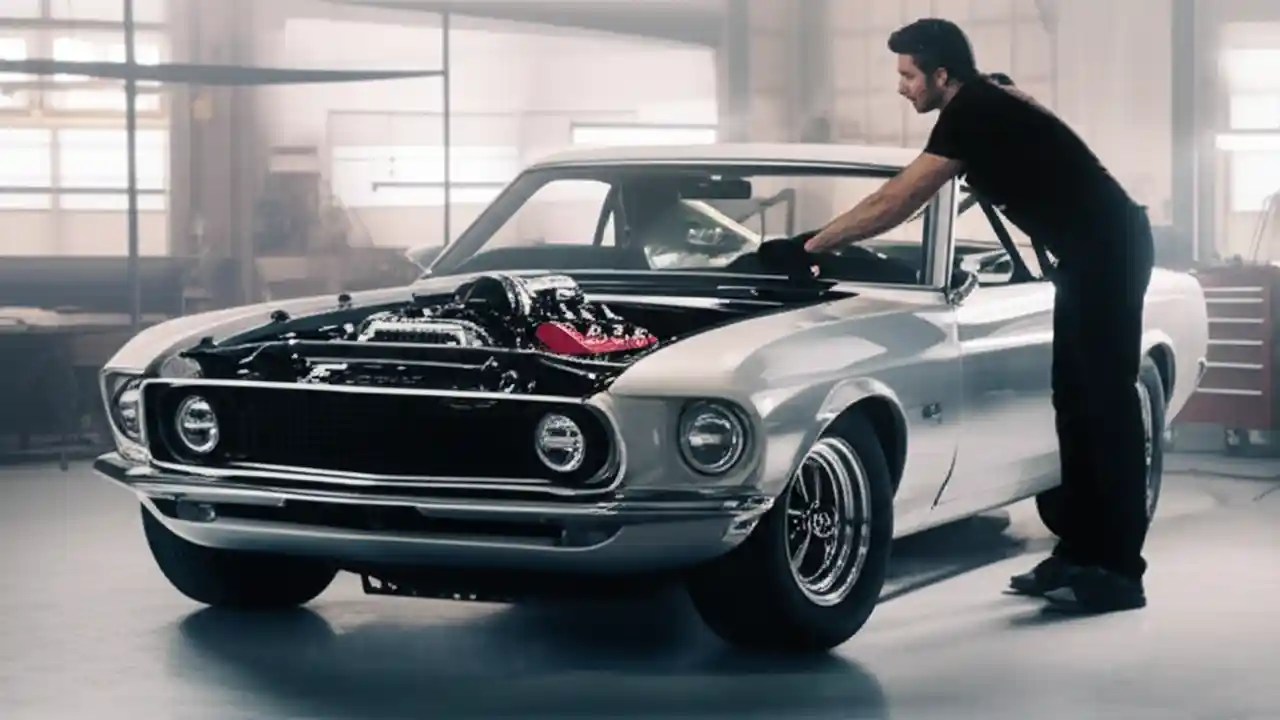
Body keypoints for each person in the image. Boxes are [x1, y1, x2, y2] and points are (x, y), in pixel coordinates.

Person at [796, 18, 1156, 614]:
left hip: (1108, 256)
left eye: (908, 75)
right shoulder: (988, 99)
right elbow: (919, 200)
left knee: (1107, 412)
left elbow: (899, 197)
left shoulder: (975, 111)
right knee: (1073, 402)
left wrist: (812, 246)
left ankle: (1119, 572)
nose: (901, 87)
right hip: (1090, 256)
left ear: (942, 75)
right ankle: (1079, 552)